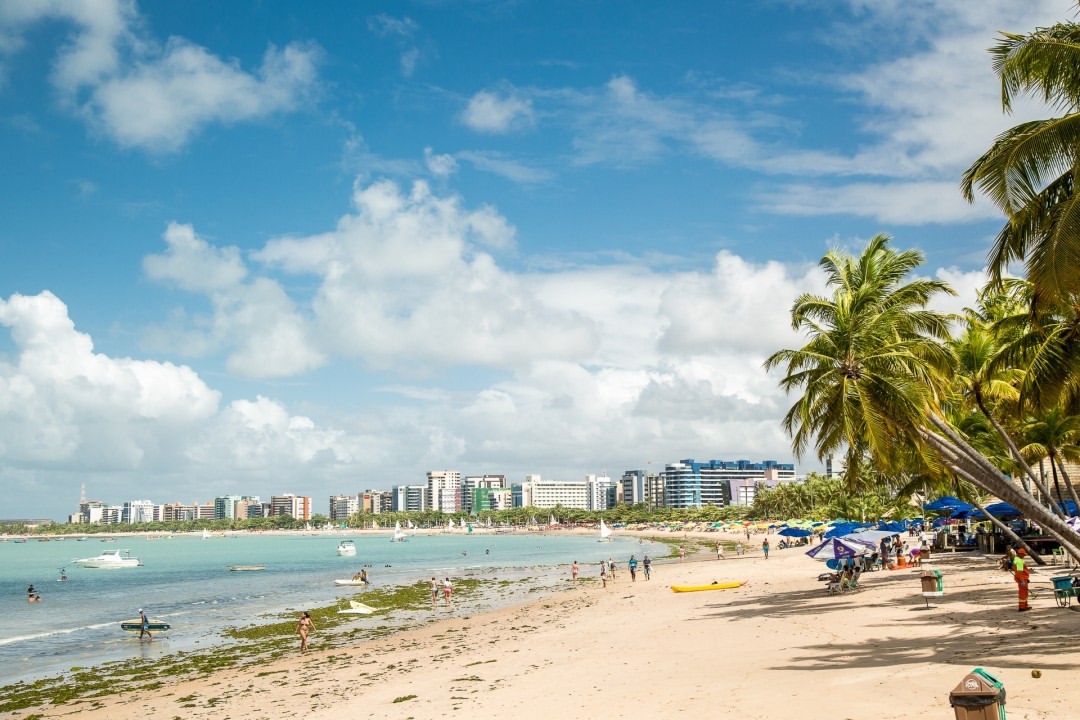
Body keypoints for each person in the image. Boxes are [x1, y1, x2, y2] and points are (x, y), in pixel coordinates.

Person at [1013, 547, 1032, 612]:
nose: (1024, 556)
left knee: (1025, 592)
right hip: (1022, 579)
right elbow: (1019, 572)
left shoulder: (1017, 559)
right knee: (1023, 593)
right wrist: (1022, 581)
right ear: (1019, 554)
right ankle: (1022, 607)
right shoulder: (1019, 561)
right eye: (1023, 555)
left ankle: (1025, 605)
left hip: (1023, 578)